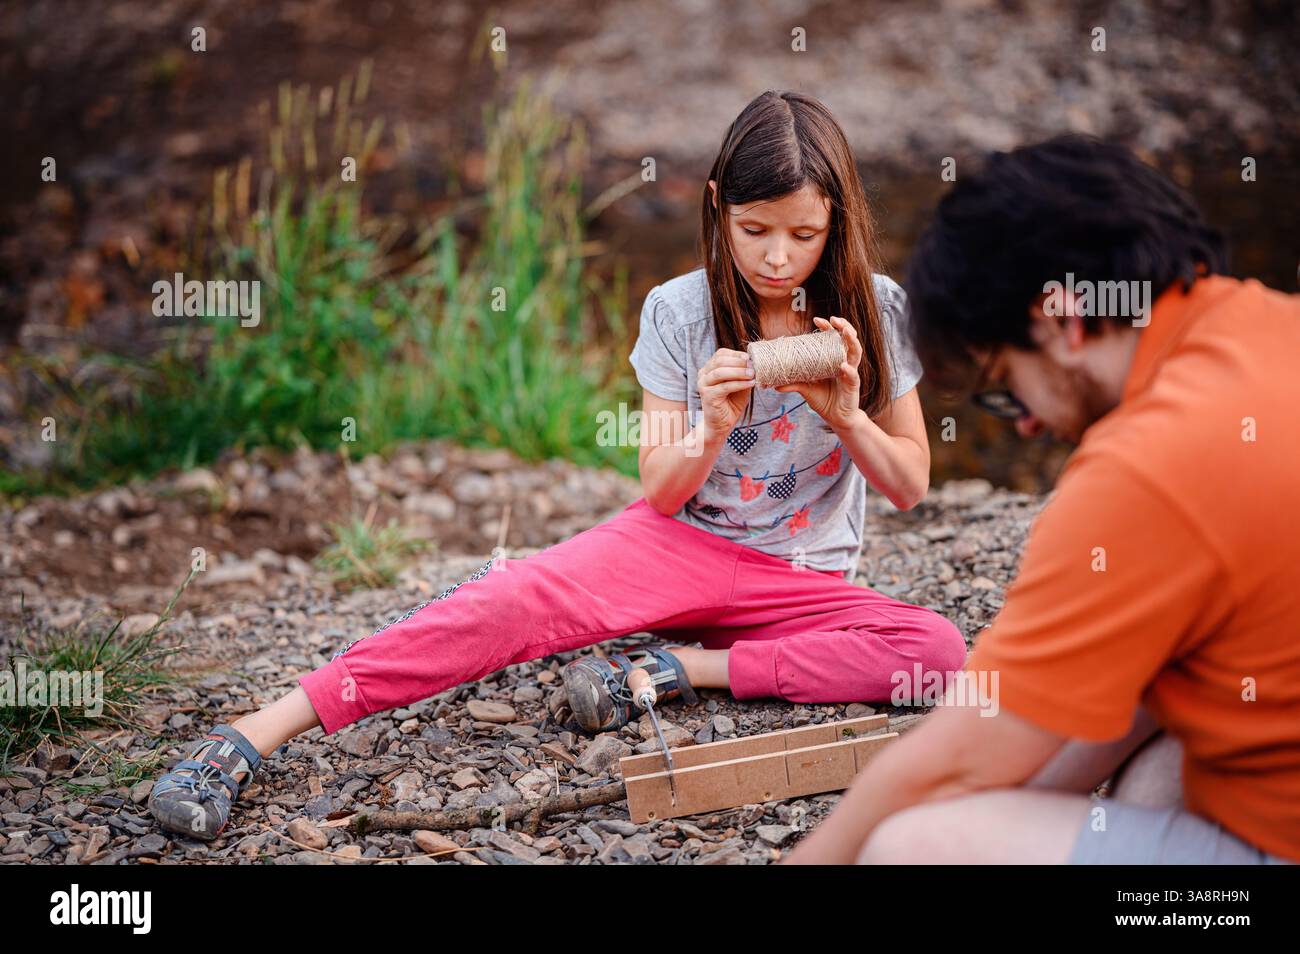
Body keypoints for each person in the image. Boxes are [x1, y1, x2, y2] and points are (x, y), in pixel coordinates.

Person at [147, 90, 965, 842]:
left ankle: (681, 669)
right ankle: (255, 732)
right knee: (511, 598)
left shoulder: (877, 309)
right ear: (716, 207)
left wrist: (847, 417)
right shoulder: (678, 310)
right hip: (682, 552)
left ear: (839, 218)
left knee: (936, 651)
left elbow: (908, 485)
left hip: (802, 582)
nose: (778, 259)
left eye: (804, 234)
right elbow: (662, 489)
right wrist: (711, 427)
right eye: (754, 231)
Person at [786, 135, 1300, 865]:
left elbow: (961, 751)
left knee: (912, 847)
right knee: (1152, 763)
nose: (1025, 422)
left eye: (1004, 384)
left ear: (1061, 320)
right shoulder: (1272, 324)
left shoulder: (1145, 467)